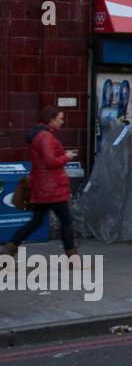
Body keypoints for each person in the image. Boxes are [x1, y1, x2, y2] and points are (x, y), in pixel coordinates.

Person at [2, 106, 81, 261]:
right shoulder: (45, 136)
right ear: (50, 119)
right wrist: (67, 157)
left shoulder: (39, 135)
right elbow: (50, 161)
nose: (62, 122)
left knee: (36, 222)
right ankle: (73, 260)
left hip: (43, 187)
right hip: (52, 188)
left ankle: (6, 253)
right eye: (60, 119)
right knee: (66, 221)